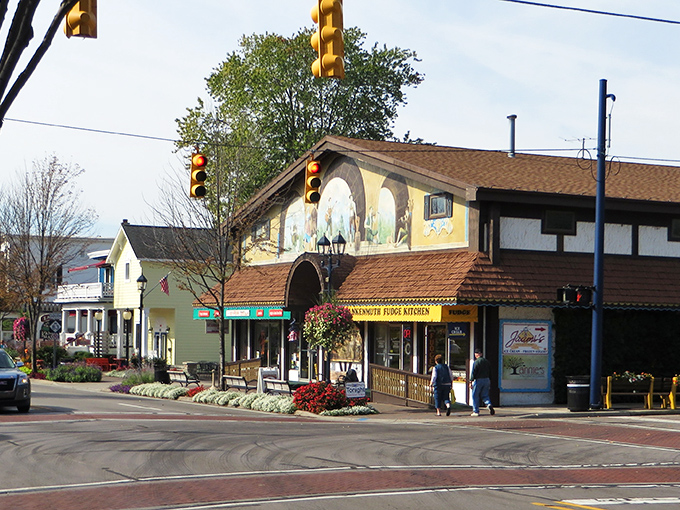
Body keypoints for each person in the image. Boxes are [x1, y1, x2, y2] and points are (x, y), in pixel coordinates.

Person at [469, 348, 494, 417]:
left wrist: (470, 381)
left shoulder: (476, 362)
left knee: (475, 396)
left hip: (479, 380)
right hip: (487, 380)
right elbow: (490, 372)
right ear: (481, 354)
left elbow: (473, 372)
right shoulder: (487, 361)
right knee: (485, 395)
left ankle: (476, 411)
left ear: (476, 354)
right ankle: (488, 404)